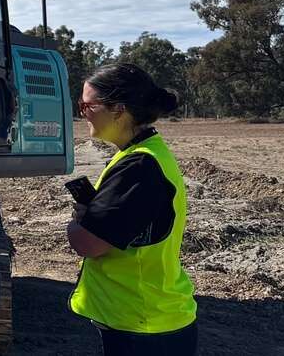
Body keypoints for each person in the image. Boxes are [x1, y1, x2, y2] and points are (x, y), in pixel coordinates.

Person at [68, 63, 197, 355]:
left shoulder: (139, 166)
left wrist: (77, 221)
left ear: (118, 110)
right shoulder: (142, 155)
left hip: (142, 323)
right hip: (148, 317)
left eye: (87, 105)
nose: (82, 113)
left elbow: (87, 243)